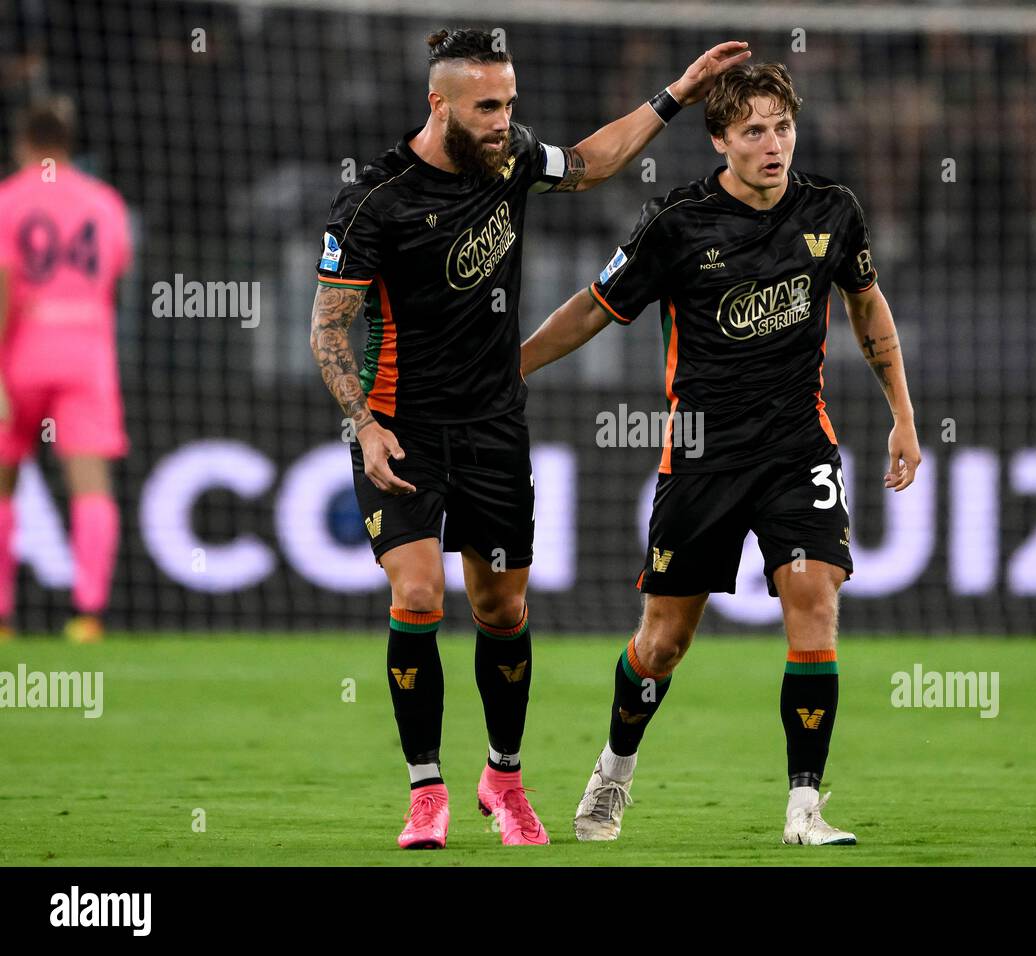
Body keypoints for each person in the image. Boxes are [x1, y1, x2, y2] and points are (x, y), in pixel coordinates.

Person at [309, 28, 751, 849]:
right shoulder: (375, 201)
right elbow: (330, 329)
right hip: (399, 429)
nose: (504, 120)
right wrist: (362, 426)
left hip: (495, 429)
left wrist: (677, 95)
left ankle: (503, 778)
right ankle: (426, 792)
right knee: (417, 597)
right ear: (437, 102)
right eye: (487, 106)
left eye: (509, 103)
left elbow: (590, 162)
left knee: (500, 608)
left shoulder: (509, 159)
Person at [520, 62, 922, 846]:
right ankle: (614, 769)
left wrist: (903, 415)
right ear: (719, 140)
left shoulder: (832, 210)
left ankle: (805, 810)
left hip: (797, 447)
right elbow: (594, 309)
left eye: (782, 127)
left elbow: (867, 304)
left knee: (814, 602)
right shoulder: (676, 222)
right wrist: (513, 367)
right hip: (701, 458)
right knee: (663, 642)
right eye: (753, 132)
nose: (773, 145)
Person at [0, 97, 133, 645]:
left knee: (4, 486)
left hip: (20, 353)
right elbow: (117, 284)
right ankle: (88, 615)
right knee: (91, 486)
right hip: (86, 354)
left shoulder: (9, 199)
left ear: (24, 143)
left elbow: (4, 288)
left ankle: (3, 620)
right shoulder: (104, 203)